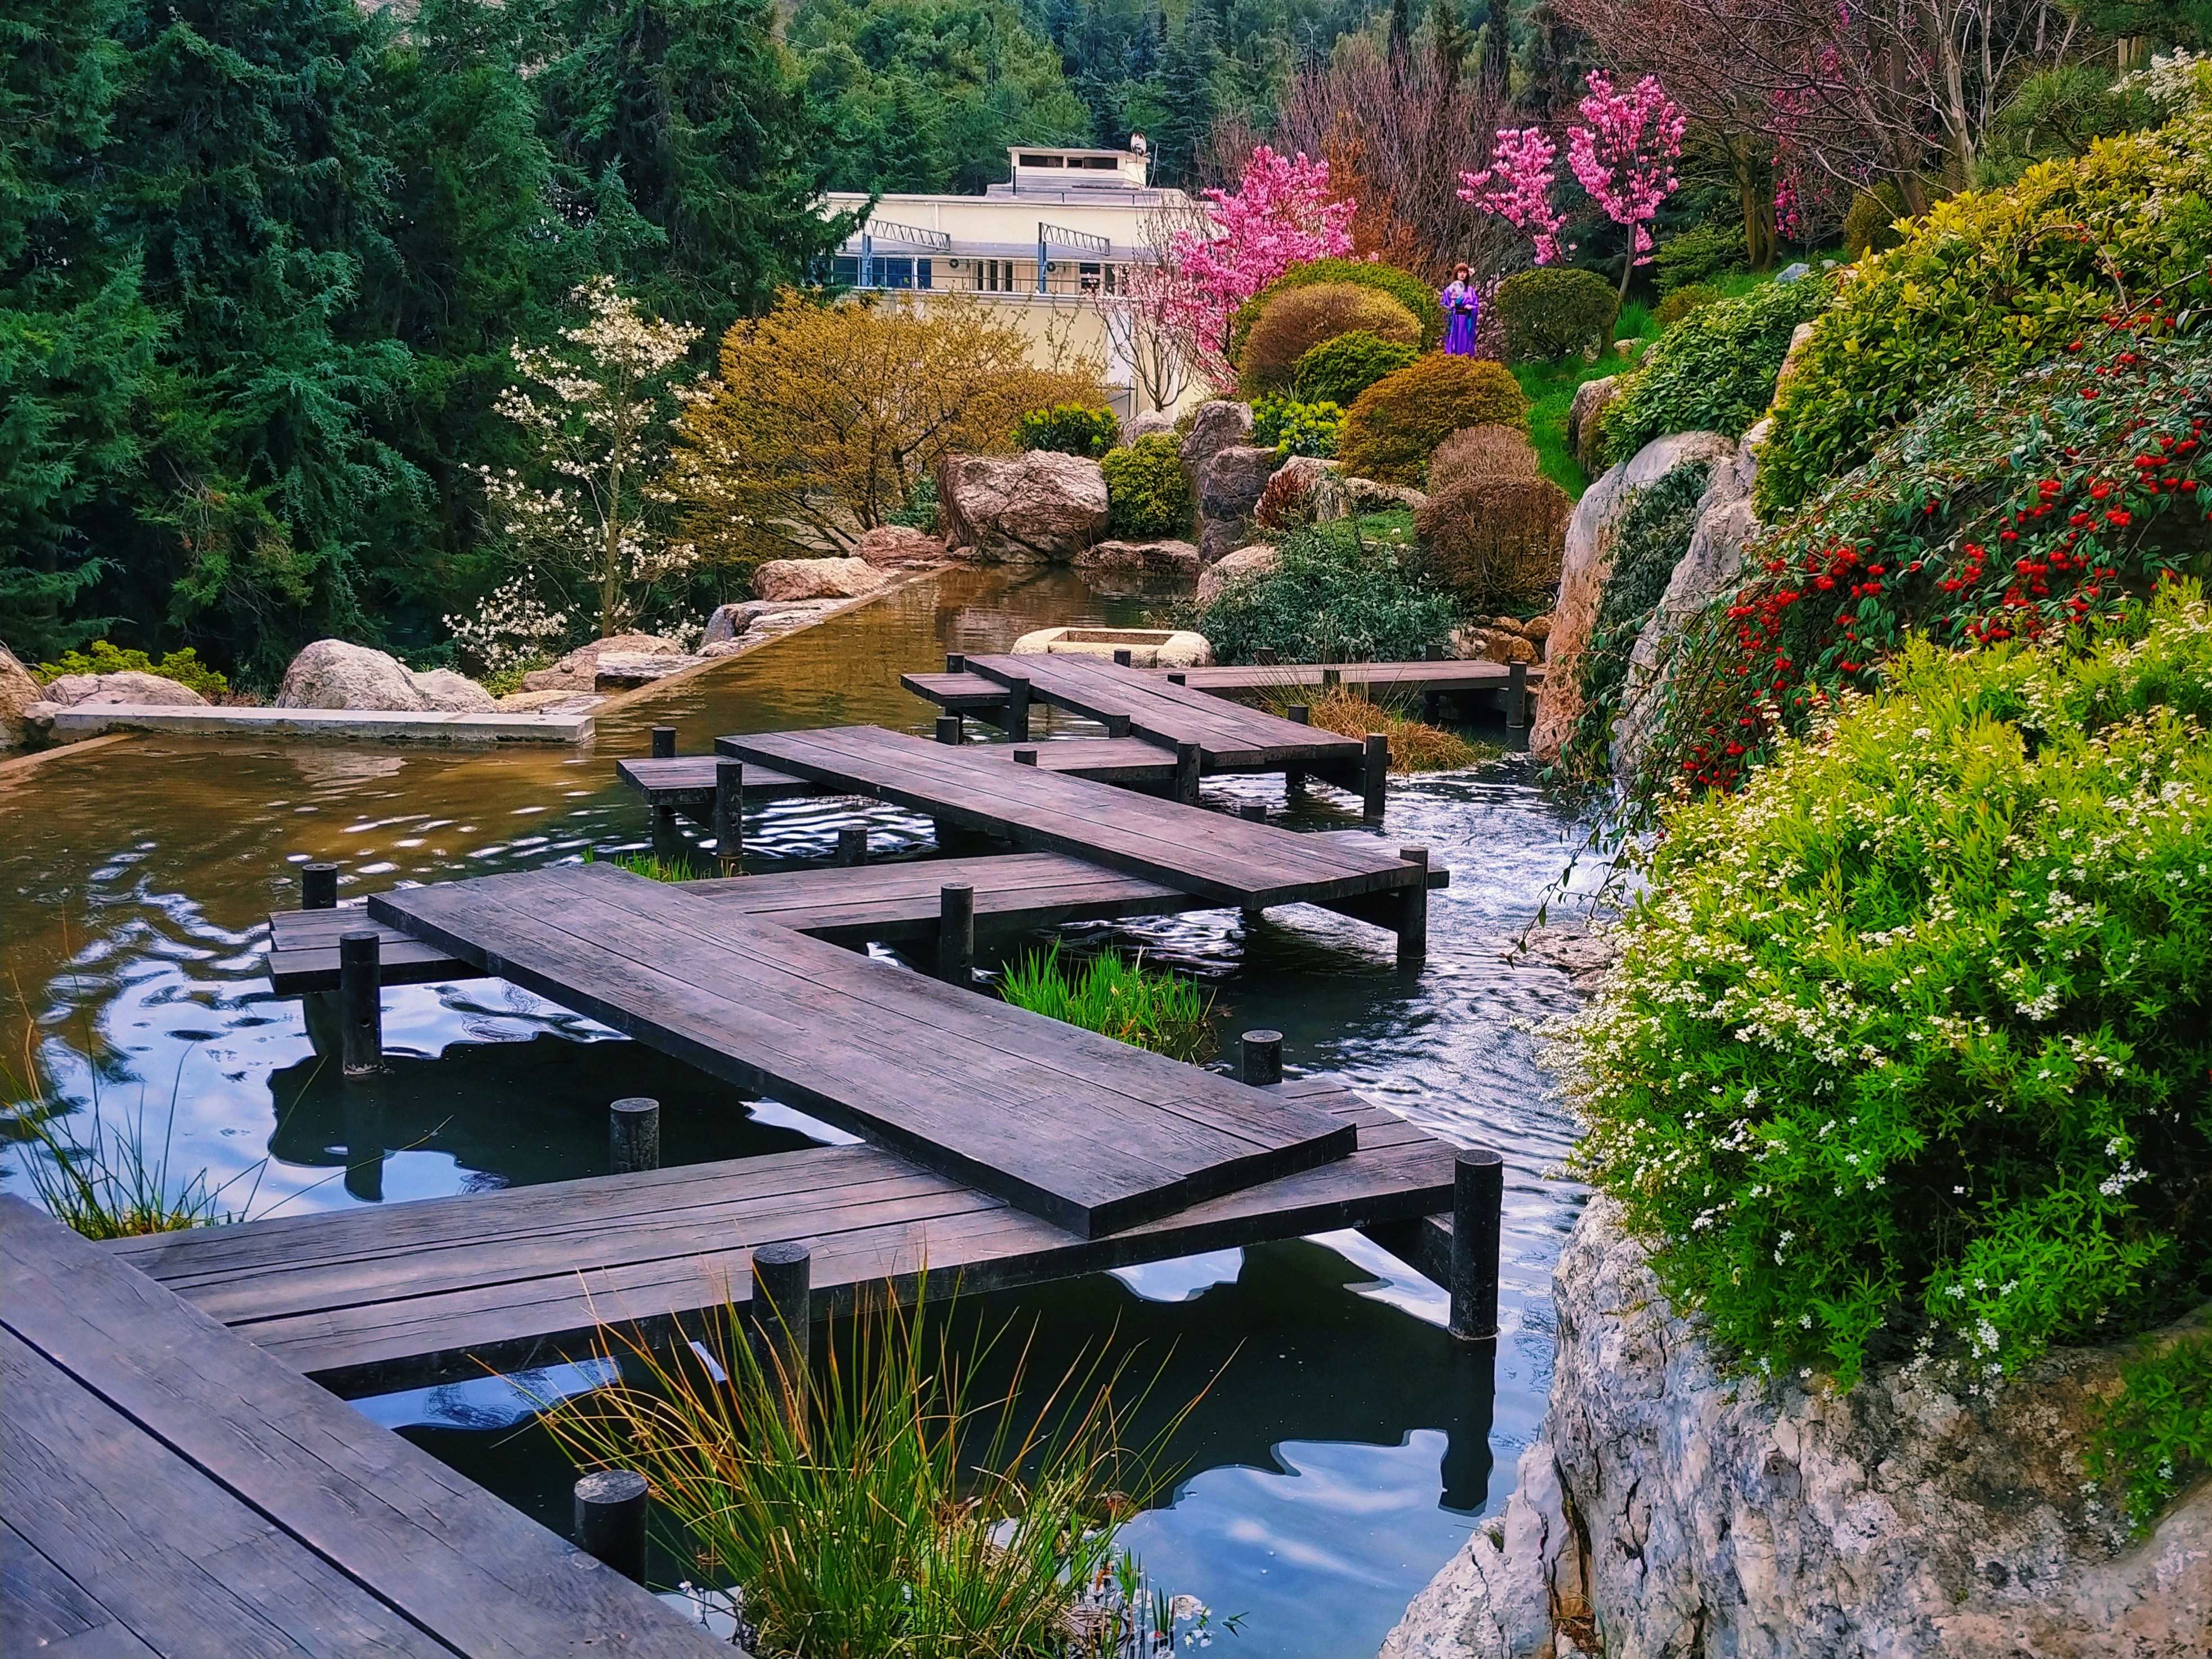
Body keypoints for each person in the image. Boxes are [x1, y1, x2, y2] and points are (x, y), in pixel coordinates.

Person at [1441, 264, 1481, 356]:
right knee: (1452, 342)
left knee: (1465, 343)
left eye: (1465, 272)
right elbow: (1442, 307)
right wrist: (1450, 307)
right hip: (1454, 321)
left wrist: (1471, 308)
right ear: (1456, 274)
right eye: (1460, 272)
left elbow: (1476, 306)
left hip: (1466, 322)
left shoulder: (1470, 291)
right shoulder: (1449, 290)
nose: (1463, 274)